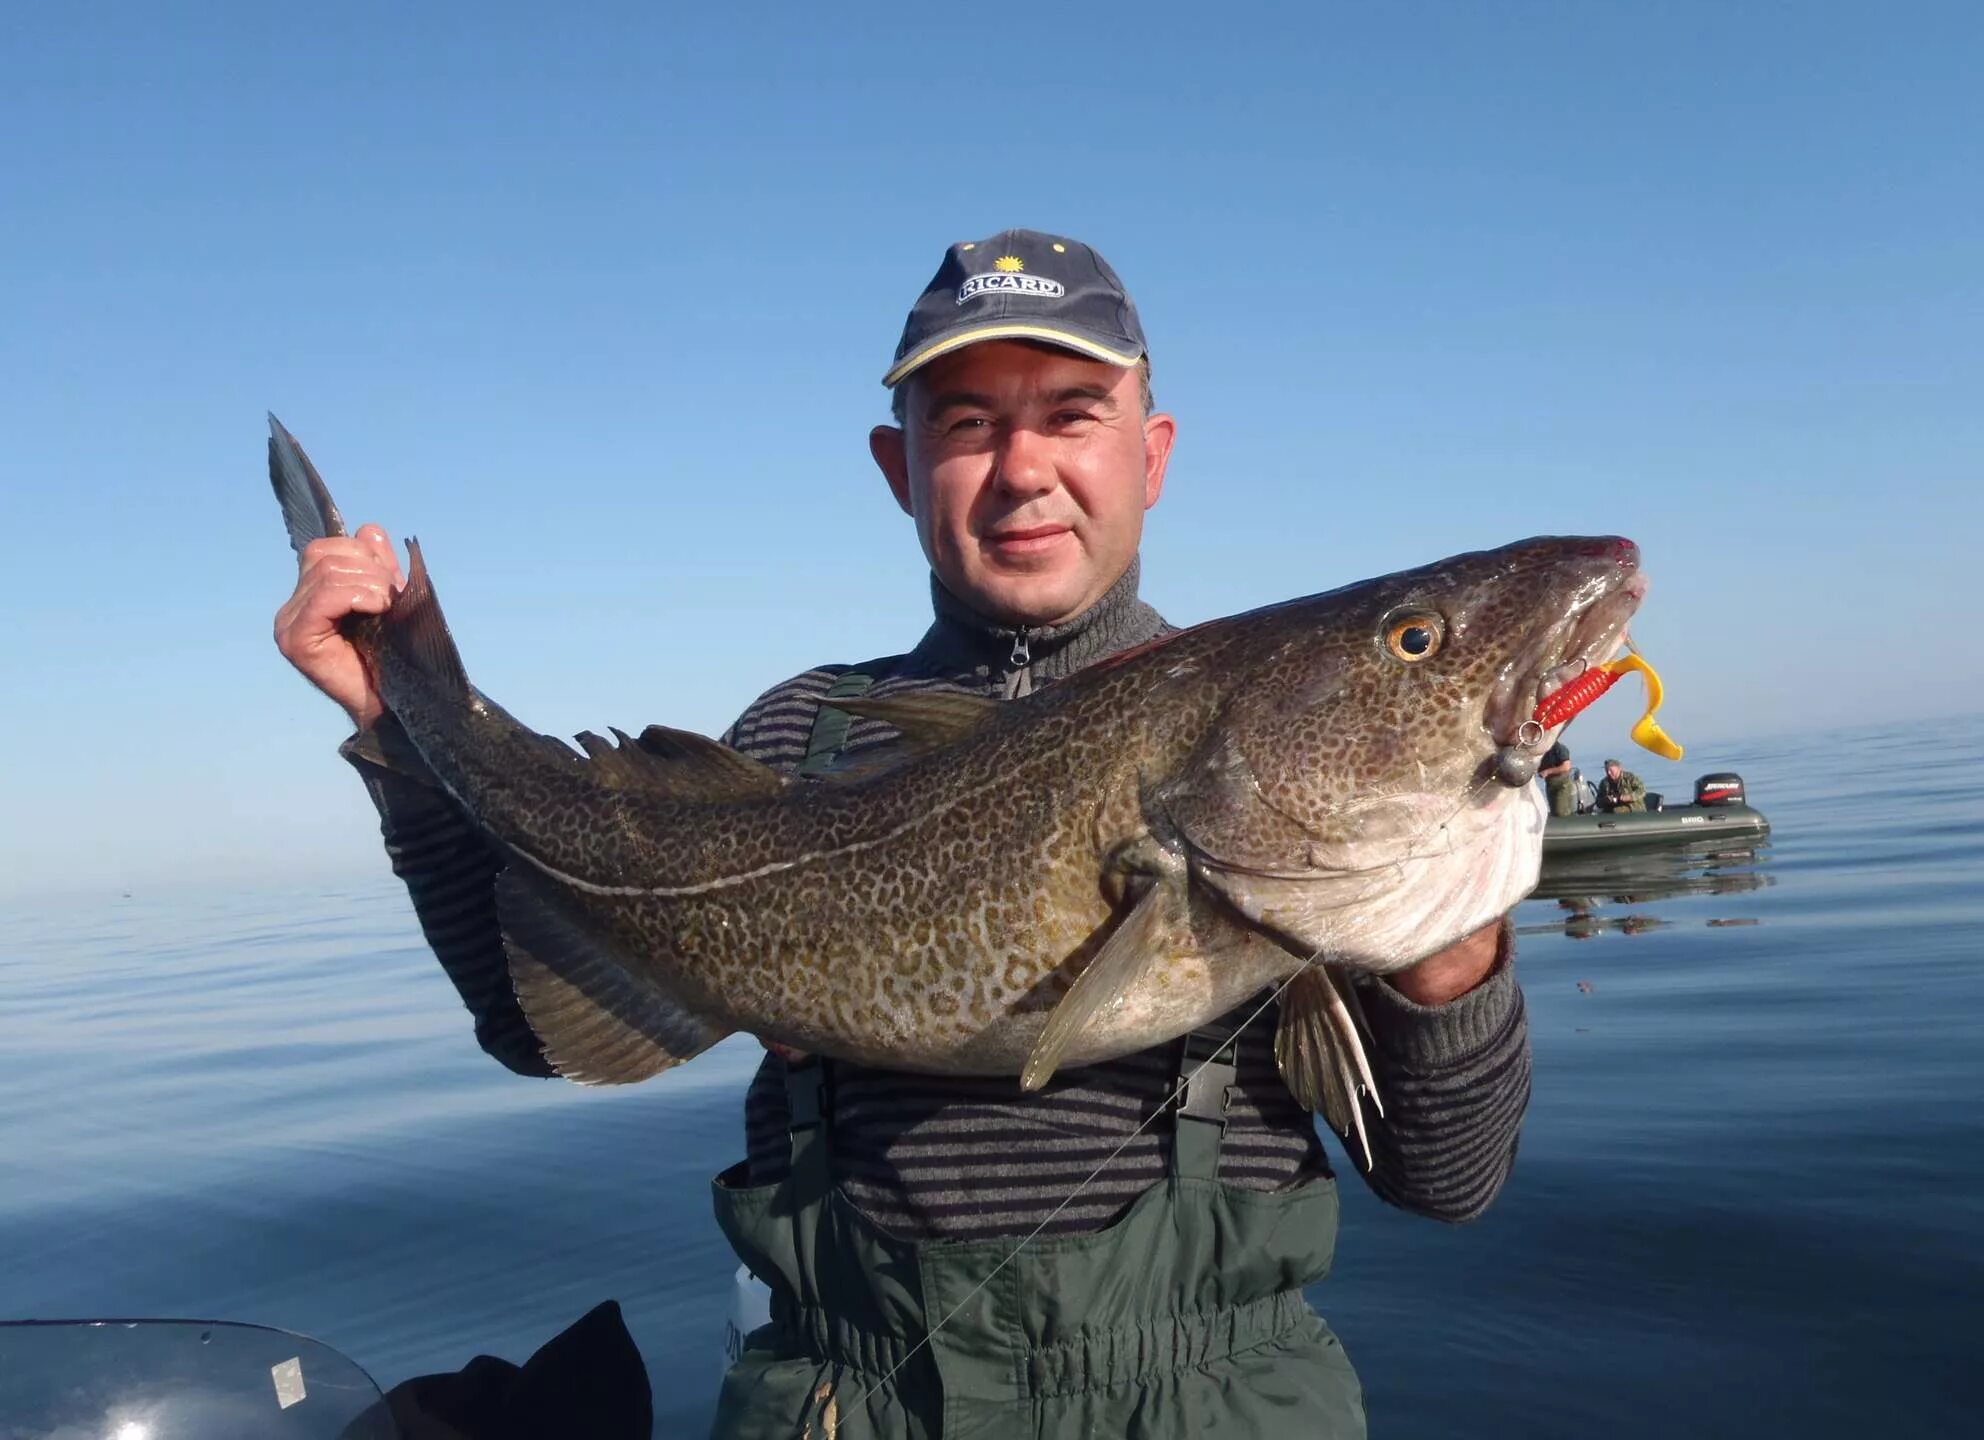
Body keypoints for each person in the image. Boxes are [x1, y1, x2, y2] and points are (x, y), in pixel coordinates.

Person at [273, 229, 1533, 1439]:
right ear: (898, 467)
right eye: (969, 424)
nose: (1022, 467)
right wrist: (403, 732)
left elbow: (1450, 1181)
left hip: (1213, 1397)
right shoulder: (796, 736)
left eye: (1071, 413)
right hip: (848, 1395)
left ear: (1151, 456)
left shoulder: (1311, 801)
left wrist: (1446, 954)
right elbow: (535, 1024)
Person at [1538, 739, 1578, 817]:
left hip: (1562, 784)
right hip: (1549, 784)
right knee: (1553, 812)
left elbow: (1566, 767)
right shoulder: (1543, 751)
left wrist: (1547, 771)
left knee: (1560, 812)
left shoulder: (1559, 748)